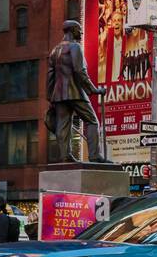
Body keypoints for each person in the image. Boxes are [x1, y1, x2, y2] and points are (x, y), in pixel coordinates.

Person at [46, 20, 109, 163]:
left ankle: (65, 156)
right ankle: (94, 155)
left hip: (59, 95)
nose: (81, 32)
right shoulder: (75, 47)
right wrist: (93, 90)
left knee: (63, 125)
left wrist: (50, 97)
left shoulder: (54, 51)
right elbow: (80, 71)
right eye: (79, 29)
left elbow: (50, 77)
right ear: (72, 30)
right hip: (74, 92)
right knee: (92, 121)